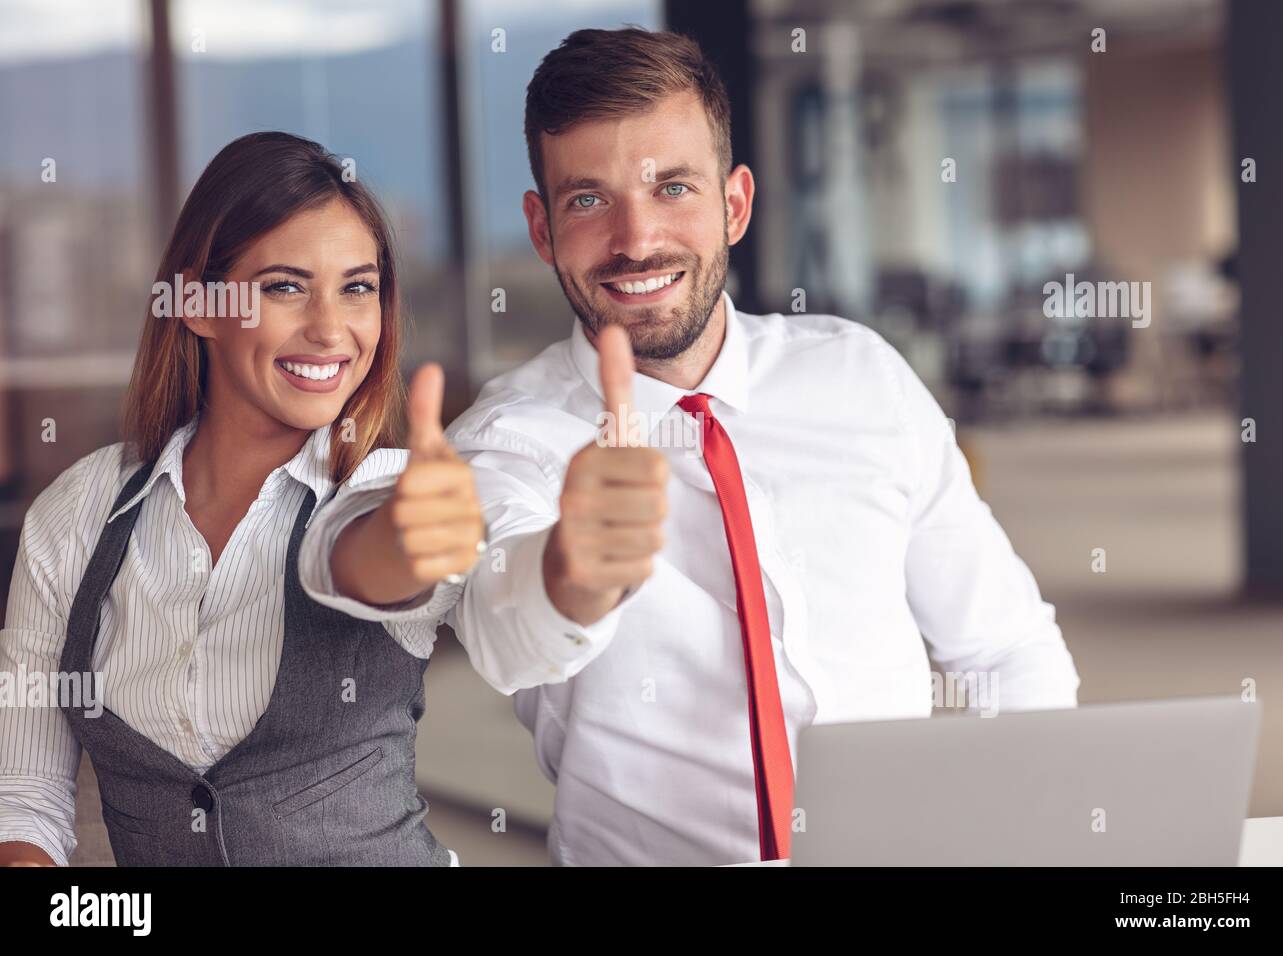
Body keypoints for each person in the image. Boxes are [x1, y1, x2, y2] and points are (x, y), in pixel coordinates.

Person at [323, 28, 1081, 867]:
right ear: (541, 229)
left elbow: (1003, 649)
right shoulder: (510, 438)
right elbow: (507, 638)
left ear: (735, 204)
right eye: (588, 200)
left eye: (672, 187)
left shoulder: (862, 378)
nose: (636, 237)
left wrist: (1029, 835)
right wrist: (572, 573)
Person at [0, 132, 483, 867]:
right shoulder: (77, 513)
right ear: (196, 305)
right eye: (285, 286)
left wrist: (413, 544)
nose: (330, 329)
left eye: (358, 287)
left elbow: (382, 559)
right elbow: (25, 793)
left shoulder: (388, 492)